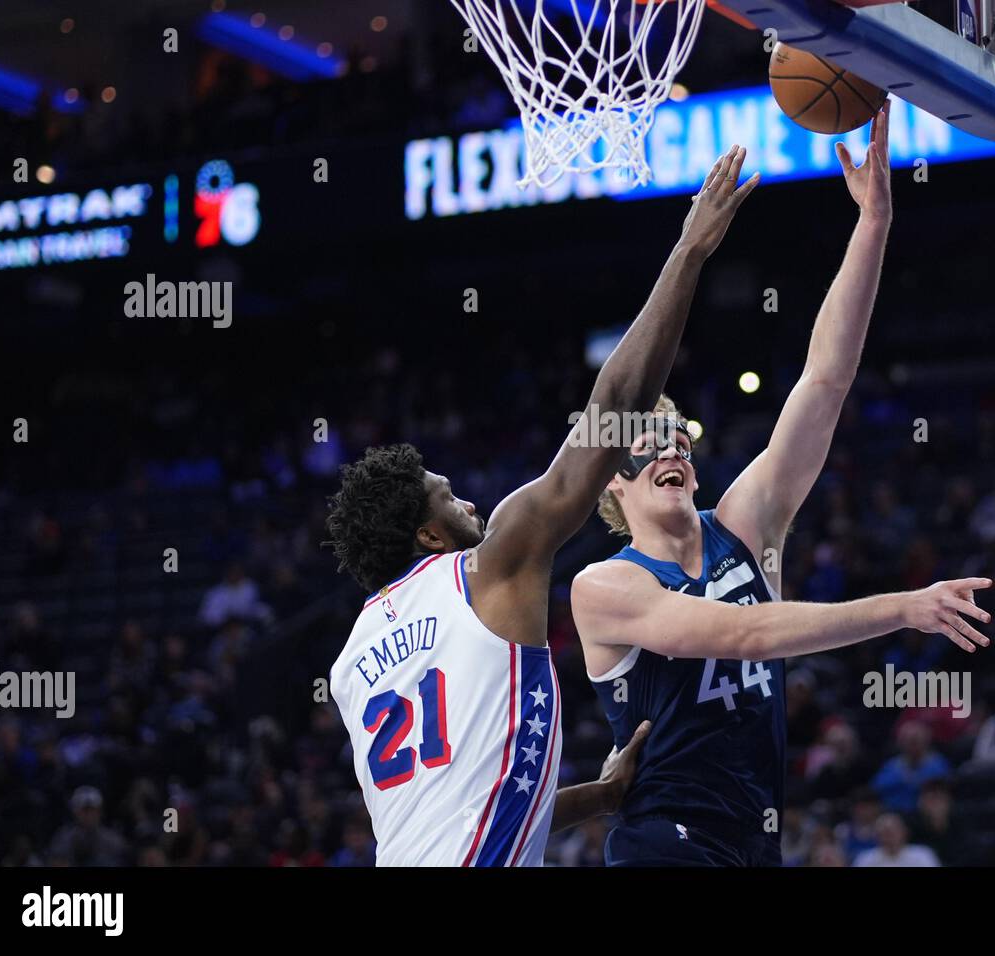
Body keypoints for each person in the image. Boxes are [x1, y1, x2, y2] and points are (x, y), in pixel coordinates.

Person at [571, 106, 993, 866]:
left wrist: (872, 222)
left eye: (677, 437)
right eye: (645, 445)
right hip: (663, 843)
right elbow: (746, 634)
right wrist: (904, 607)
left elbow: (825, 383)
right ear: (614, 486)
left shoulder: (745, 524)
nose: (668, 448)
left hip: (754, 839)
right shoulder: (604, 586)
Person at [324, 148, 760, 865]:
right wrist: (690, 249)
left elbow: (456, 809)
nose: (468, 499)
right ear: (430, 533)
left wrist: (600, 795)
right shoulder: (489, 563)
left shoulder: (352, 661)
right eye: (448, 495)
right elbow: (614, 409)